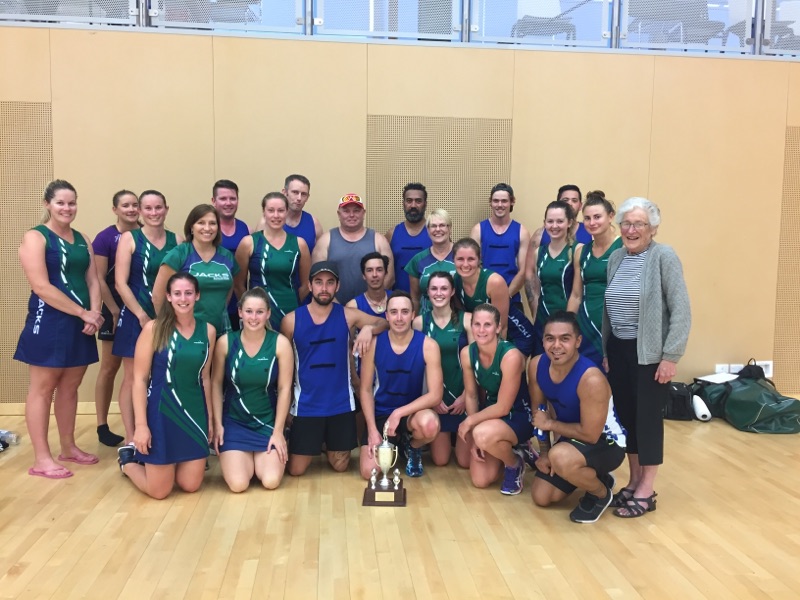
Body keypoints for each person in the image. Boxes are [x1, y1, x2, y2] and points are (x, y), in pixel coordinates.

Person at [602, 197, 691, 518]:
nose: (631, 229)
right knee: (627, 418)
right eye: (626, 223)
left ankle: (647, 489)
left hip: (650, 354)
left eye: (639, 224)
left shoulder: (663, 257)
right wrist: (607, 350)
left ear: (653, 228)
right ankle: (634, 479)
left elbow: (680, 309)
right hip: (620, 351)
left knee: (648, 419)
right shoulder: (616, 258)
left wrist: (670, 355)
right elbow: (608, 311)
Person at [15, 180, 105, 479]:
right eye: (61, 203)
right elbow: (41, 286)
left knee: (70, 386)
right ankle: (42, 458)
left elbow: (93, 280)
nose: (67, 208)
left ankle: (68, 447)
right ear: (47, 204)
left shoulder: (83, 239)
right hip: (49, 322)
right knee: (43, 388)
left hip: (81, 323)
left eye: (72, 203)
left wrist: (93, 314)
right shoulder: (35, 238)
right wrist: (82, 312)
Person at [280, 262, 389, 476]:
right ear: (310, 286)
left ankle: (325, 442)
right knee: (296, 470)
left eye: (330, 283)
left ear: (337, 287)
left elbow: (384, 323)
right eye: (318, 282)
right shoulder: (290, 321)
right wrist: (286, 412)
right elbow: (284, 368)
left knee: (341, 466)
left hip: (340, 405)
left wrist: (368, 328)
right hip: (306, 406)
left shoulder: (349, 315)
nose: (324, 288)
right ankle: (311, 440)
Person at [117, 273, 216, 499]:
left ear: (197, 296)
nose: (183, 298)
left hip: (193, 413)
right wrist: (141, 426)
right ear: (168, 297)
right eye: (177, 293)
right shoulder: (154, 328)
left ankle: (166, 464)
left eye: (189, 293)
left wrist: (209, 417)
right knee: (159, 491)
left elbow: (206, 378)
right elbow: (140, 380)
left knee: (190, 485)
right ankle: (128, 462)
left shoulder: (208, 330)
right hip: (162, 412)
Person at [528, 311, 627, 523]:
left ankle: (600, 493)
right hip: (570, 439)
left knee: (561, 457)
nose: (556, 346)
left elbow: (590, 435)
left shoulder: (591, 379)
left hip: (606, 442)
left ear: (578, 341)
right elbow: (539, 413)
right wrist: (544, 452)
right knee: (542, 496)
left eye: (565, 339)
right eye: (549, 338)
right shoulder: (536, 365)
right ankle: (592, 474)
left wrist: (551, 426)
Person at [113, 190, 180, 444]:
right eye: (148, 208)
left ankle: (164, 432)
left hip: (168, 318)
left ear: (166, 209)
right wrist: (141, 315)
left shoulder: (178, 239)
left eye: (159, 207)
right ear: (140, 211)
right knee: (133, 378)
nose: (154, 213)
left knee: (165, 374)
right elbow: (120, 283)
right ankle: (132, 437)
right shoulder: (130, 238)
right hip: (135, 317)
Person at [211, 288, 293, 492]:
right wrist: (218, 424)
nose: (253, 317)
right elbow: (215, 384)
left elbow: (284, 389)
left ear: (268, 314)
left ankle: (263, 457)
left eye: (259, 312)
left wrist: (278, 432)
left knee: (270, 481)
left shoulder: (280, 343)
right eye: (249, 311)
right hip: (235, 424)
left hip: (267, 424)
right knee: (238, 485)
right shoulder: (225, 343)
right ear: (239, 312)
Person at [359, 291, 442, 478]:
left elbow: (436, 395)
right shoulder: (373, 344)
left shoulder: (428, 345)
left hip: (412, 413)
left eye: (405, 312)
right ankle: (393, 445)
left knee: (429, 424)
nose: (399, 318)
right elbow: (364, 389)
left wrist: (399, 413)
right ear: (386, 316)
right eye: (394, 312)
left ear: (413, 315)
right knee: (368, 472)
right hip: (381, 414)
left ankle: (413, 446)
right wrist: (372, 429)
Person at [457, 304, 533, 495]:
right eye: (477, 324)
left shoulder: (511, 356)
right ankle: (513, 450)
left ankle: (514, 464)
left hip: (518, 415)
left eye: (488, 325)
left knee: (483, 435)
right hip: (490, 418)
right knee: (480, 480)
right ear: (471, 326)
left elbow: (504, 407)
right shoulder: (467, 353)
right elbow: (472, 395)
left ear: (498, 328)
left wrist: (472, 423)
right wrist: (475, 434)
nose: (481, 330)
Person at [92, 189, 140, 447]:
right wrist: (112, 308)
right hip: (115, 308)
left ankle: (138, 426)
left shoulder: (144, 234)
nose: (131, 209)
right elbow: (98, 278)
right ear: (115, 209)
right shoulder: (105, 238)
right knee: (110, 368)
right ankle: (102, 424)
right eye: (126, 205)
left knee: (140, 372)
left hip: (140, 309)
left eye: (135, 205)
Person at [412, 272, 473, 468]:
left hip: (464, 395)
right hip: (436, 398)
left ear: (452, 291)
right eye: (434, 289)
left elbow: (476, 362)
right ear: (427, 292)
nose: (439, 293)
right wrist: (433, 398)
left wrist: (466, 396)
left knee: (464, 463)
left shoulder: (467, 320)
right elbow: (418, 366)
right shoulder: (419, 323)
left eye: (444, 288)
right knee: (440, 460)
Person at [153, 204, 238, 336]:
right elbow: (158, 296)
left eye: (212, 223)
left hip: (221, 328)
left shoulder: (227, 256)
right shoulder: (179, 254)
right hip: (185, 330)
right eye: (201, 223)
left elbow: (229, 290)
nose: (207, 228)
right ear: (192, 227)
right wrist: (168, 327)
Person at [234, 192, 310, 330]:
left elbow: (306, 285)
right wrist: (250, 309)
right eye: (271, 210)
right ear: (264, 212)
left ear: (287, 212)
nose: (276, 215)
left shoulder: (299, 244)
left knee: (289, 350)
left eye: (281, 210)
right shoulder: (249, 242)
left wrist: (291, 302)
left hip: (290, 312)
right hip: (258, 316)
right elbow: (238, 285)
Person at [566, 191, 622, 369]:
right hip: (586, 324)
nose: (592, 222)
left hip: (614, 326)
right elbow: (576, 295)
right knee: (587, 378)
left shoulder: (624, 247)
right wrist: (568, 328)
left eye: (597, 217)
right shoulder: (581, 252)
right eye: (587, 218)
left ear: (611, 216)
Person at [453, 238, 535, 357]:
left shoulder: (494, 282)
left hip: (515, 334)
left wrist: (495, 361)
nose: (465, 264)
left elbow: (502, 328)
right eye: (460, 259)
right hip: (486, 333)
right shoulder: (456, 280)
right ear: (453, 260)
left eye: (471, 259)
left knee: (507, 370)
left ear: (479, 259)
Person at [311, 193, 394, 304]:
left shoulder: (379, 240)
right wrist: (336, 307)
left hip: (371, 307)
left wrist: (370, 302)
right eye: (346, 211)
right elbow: (315, 277)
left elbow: (389, 277)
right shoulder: (325, 240)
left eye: (356, 211)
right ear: (338, 214)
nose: (351, 215)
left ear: (363, 213)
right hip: (333, 308)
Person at [525, 201, 580, 357]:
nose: (554, 226)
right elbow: (536, 288)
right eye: (550, 221)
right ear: (544, 223)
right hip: (543, 320)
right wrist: (536, 314)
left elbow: (577, 294)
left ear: (569, 223)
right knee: (539, 366)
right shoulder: (538, 253)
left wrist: (569, 323)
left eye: (559, 221)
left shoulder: (577, 250)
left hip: (568, 320)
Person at [470, 183, 530, 308]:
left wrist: (504, 296)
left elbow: (523, 271)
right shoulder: (478, 230)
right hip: (484, 298)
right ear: (490, 203)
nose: (500, 205)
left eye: (504, 201)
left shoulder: (522, 231)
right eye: (496, 201)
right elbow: (473, 267)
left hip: (512, 297)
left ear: (512, 202)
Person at [212, 180, 250, 331]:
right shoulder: (207, 228)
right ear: (213, 201)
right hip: (213, 303)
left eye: (232, 198)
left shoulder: (245, 228)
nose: (228, 203)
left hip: (238, 303)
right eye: (223, 198)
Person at [405, 209, 456, 314]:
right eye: (433, 226)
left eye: (442, 225)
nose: (438, 229)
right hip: (426, 321)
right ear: (428, 230)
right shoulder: (418, 260)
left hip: (457, 320)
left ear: (449, 228)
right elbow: (415, 298)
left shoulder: (462, 255)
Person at [387, 183, 431, 293]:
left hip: (429, 302)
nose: (413, 205)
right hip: (399, 303)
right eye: (409, 200)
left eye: (418, 201)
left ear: (425, 204)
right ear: (403, 203)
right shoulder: (392, 234)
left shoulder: (436, 232)